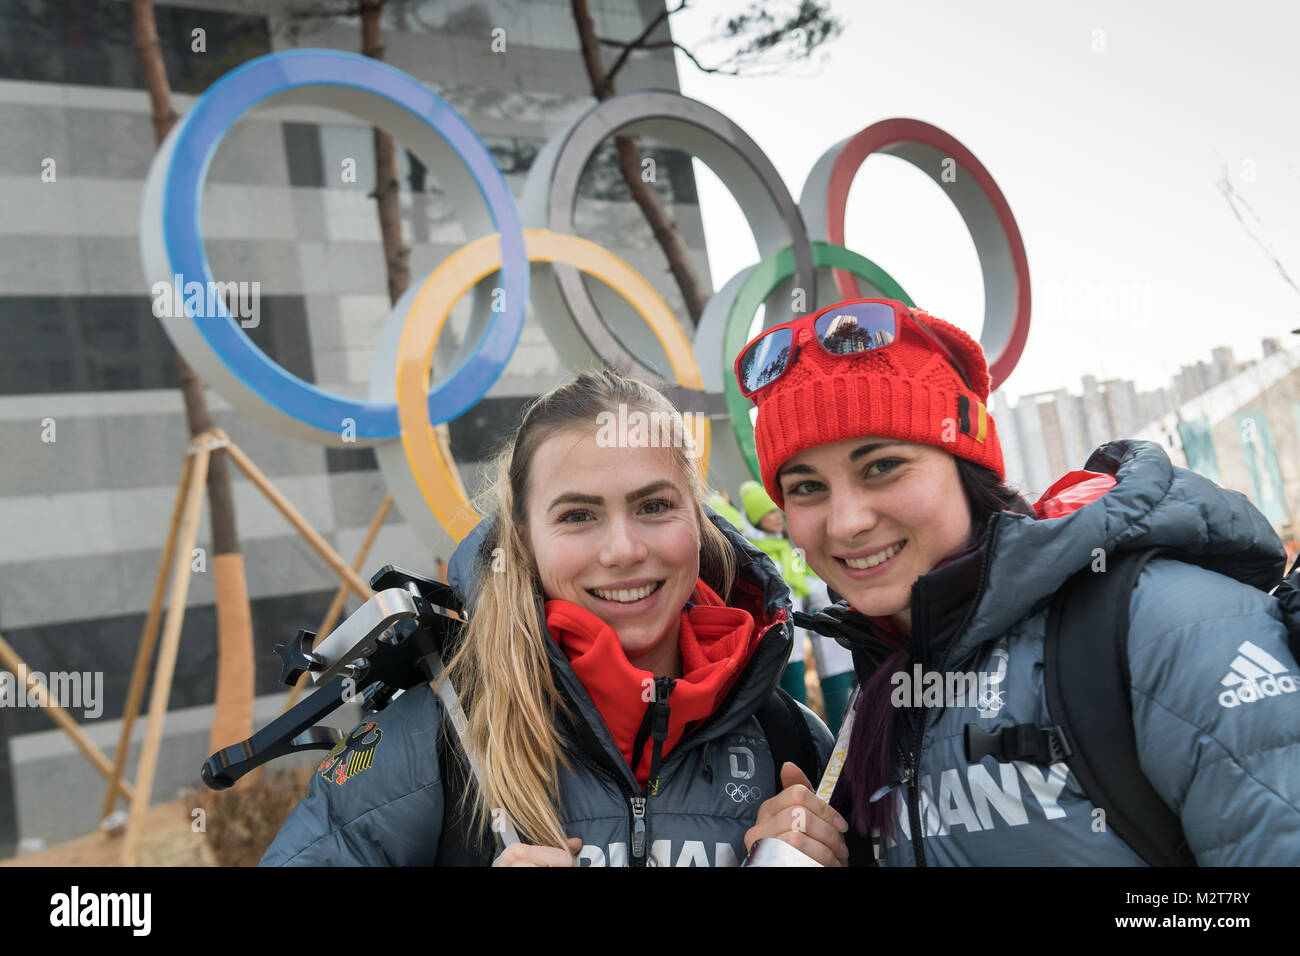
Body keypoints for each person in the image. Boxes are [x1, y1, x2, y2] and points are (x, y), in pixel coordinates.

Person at [734, 296, 1300, 865]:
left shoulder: (1166, 625)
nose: (847, 522)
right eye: (807, 487)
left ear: (968, 469)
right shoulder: (882, 685)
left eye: (881, 466)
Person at [260, 369, 848, 866]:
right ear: (524, 540)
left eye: (654, 506)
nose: (622, 549)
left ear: (698, 520)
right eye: (577, 516)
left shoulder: (792, 742)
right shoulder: (437, 735)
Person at [738, 480, 858, 735]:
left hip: (798, 646)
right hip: (770, 645)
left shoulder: (788, 550)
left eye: (775, 511)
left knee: (803, 708)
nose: (776, 517)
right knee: (783, 712)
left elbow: (809, 589)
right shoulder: (754, 553)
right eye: (768, 512)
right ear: (757, 518)